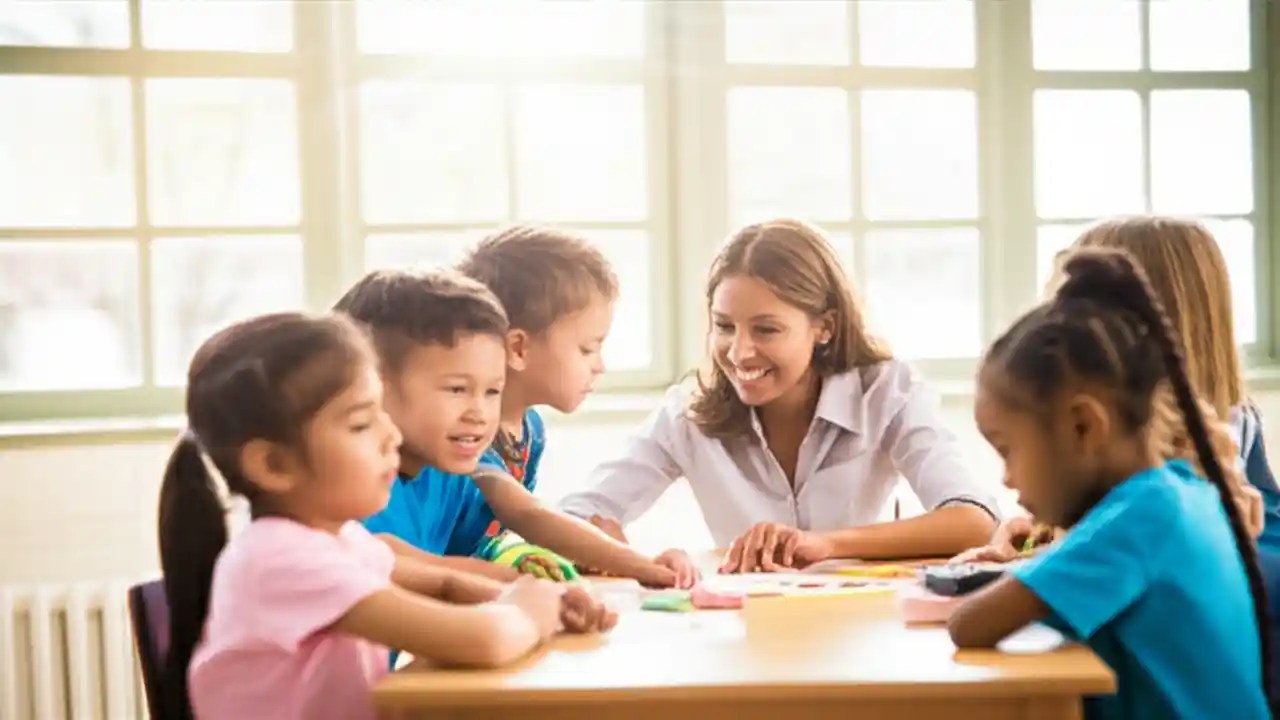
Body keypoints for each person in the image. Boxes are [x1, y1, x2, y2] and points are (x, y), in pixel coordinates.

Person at [158, 312, 614, 720]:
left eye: (382, 412)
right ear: (274, 465)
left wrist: (548, 601)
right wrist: (528, 612)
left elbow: (445, 585)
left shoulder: (339, 540)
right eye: (360, 423)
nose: (390, 436)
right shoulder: (278, 558)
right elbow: (484, 640)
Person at [559, 219, 999, 572]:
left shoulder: (886, 393)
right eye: (725, 326)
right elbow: (573, 518)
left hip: (864, 632)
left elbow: (975, 520)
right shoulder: (688, 411)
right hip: (744, 633)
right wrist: (626, 556)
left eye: (766, 329)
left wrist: (823, 544)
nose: (739, 351)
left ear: (823, 327)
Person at [948, 249, 1272, 719]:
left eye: (1007, 450)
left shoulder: (1138, 518)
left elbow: (969, 624)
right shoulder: (1183, 491)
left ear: (1084, 425)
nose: (1007, 477)